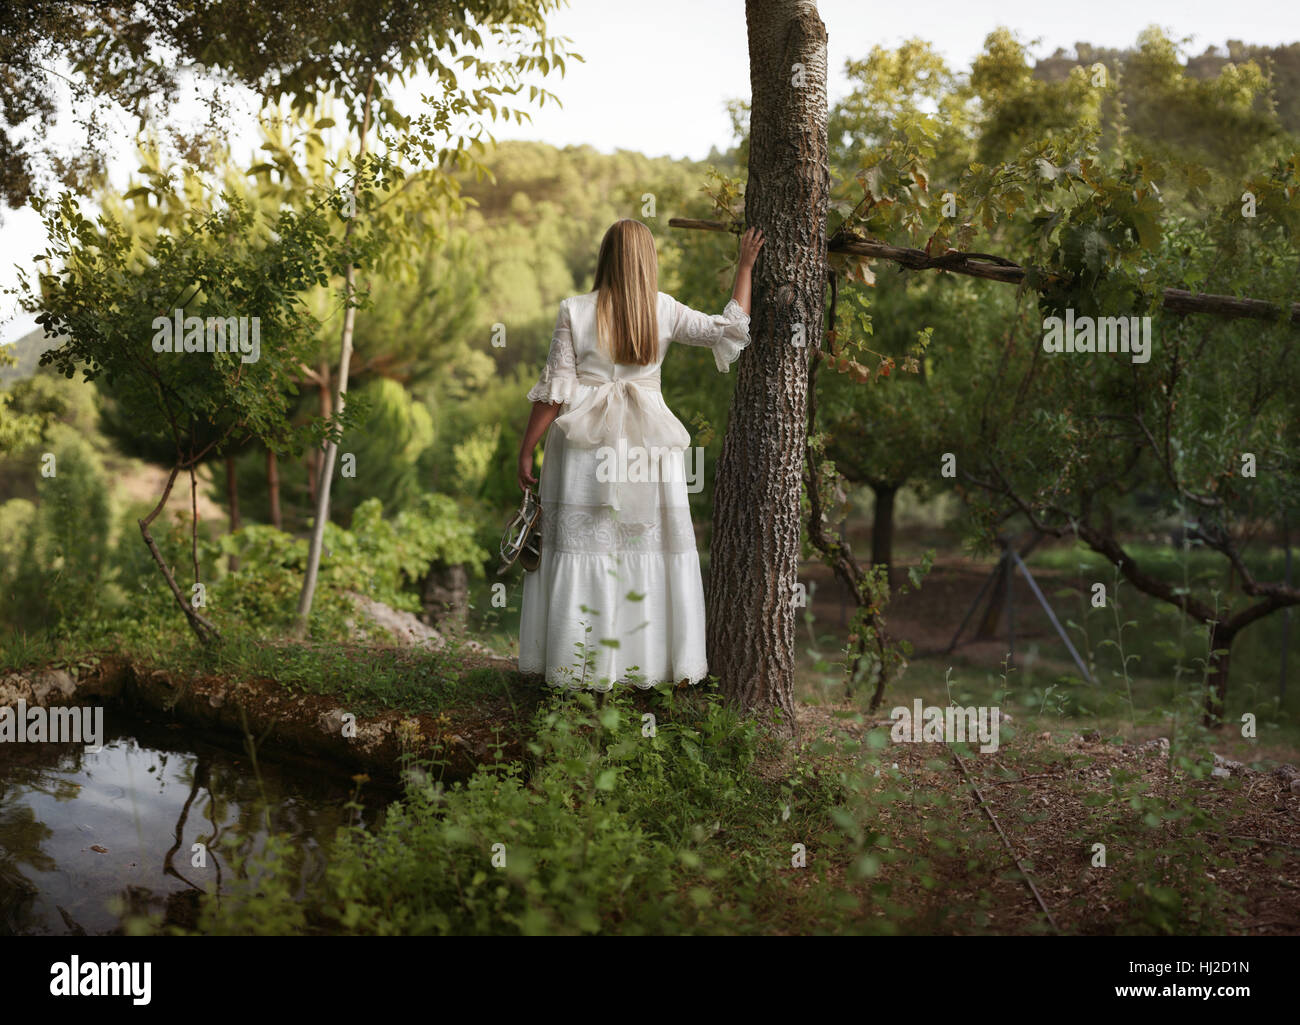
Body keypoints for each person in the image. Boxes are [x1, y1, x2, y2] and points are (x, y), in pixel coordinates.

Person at [516, 218, 764, 690]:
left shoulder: (575, 309)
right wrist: (746, 267)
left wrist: (526, 448)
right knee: (645, 546)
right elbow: (731, 330)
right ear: (648, 260)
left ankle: (578, 668)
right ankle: (644, 667)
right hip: (648, 448)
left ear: (605, 257)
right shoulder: (664, 310)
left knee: (584, 547)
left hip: (583, 447)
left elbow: (555, 391)